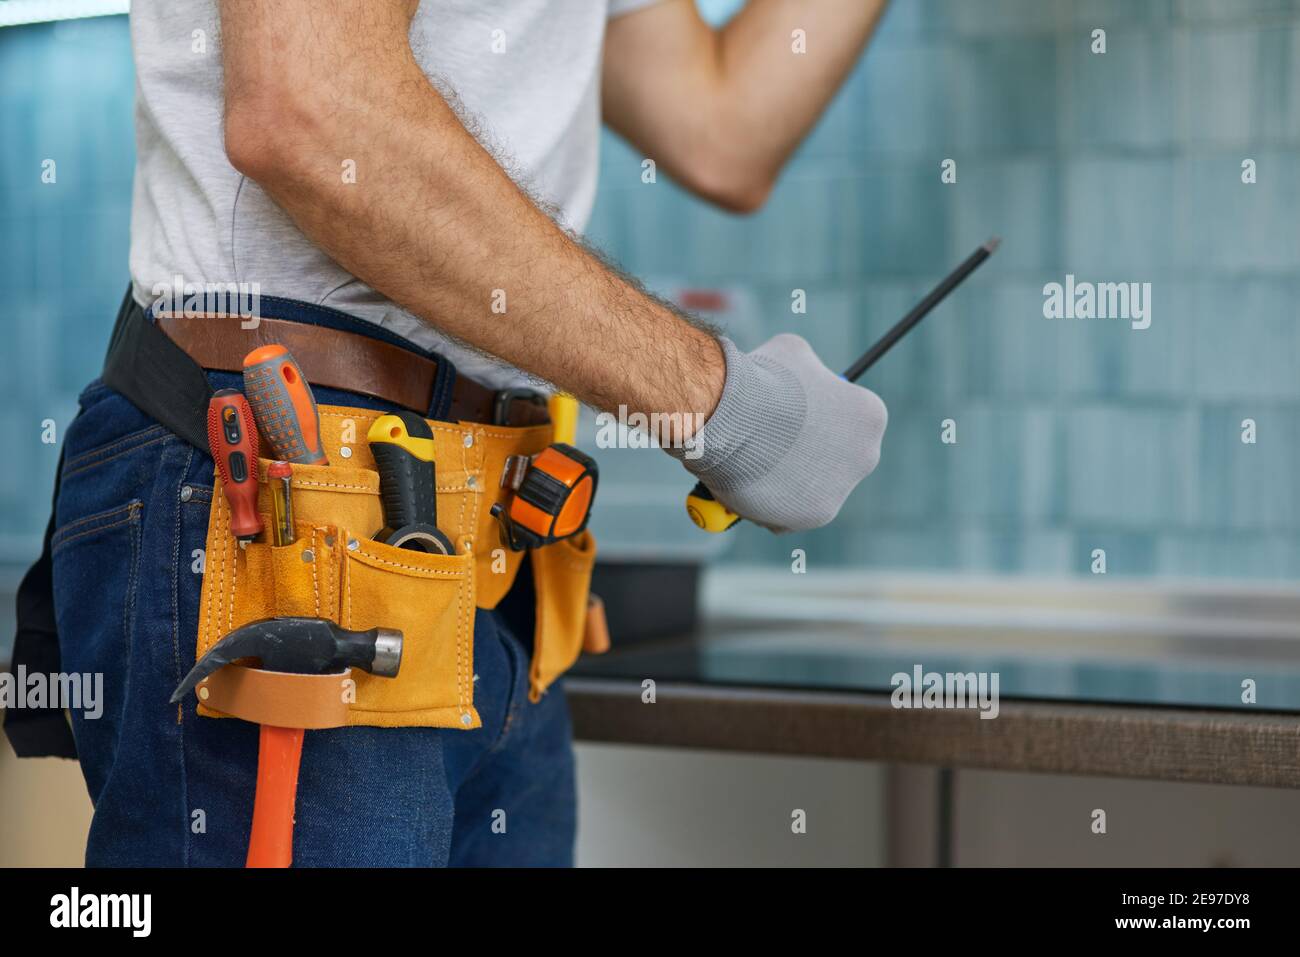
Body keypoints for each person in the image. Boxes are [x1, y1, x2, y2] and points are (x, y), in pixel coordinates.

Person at [10, 0, 890, 866]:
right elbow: (308, 104)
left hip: (497, 554)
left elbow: (720, 128)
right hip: (299, 515)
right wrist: (722, 403)